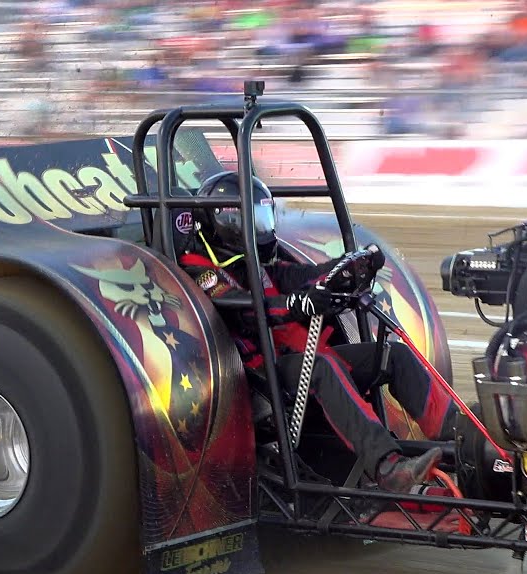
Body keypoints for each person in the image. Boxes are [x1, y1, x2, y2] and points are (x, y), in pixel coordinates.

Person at [177, 170, 457, 492]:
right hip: (250, 376)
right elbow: (246, 310)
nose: (262, 229)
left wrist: (351, 266)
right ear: (226, 223)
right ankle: (387, 467)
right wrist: (298, 304)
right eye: (253, 220)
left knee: (393, 356)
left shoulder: (254, 264)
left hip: (289, 359)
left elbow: (302, 275)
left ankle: (454, 434)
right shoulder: (199, 270)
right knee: (324, 369)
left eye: (264, 218)